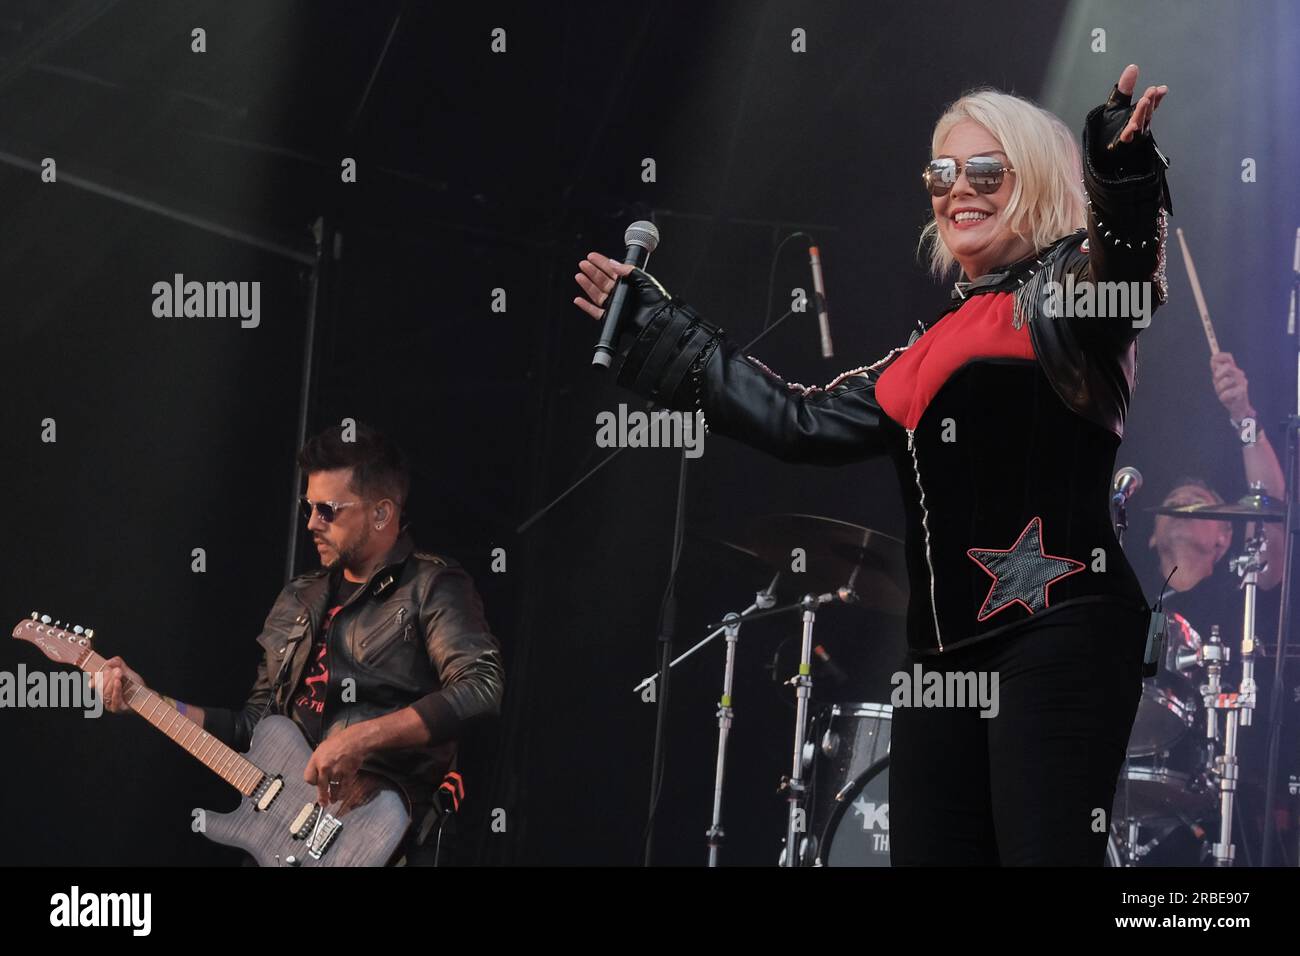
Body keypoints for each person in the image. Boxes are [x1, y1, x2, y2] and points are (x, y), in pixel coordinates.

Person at [574, 65, 1171, 865]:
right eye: (942, 173)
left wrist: (1124, 184)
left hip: (1059, 636)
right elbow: (798, 421)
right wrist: (661, 335)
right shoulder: (930, 347)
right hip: (940, 664)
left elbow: (1127, 283)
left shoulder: (1067, 295)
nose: (958, 189)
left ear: (1034, 182)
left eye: (987, 172)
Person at [95, 423, 505, 866]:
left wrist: (361, 739)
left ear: (382, 513)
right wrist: (147, 700)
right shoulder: (300, 596)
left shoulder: (432, 585)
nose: (312, 523)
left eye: (328, 510)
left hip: (382, 836)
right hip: (290, 837)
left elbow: (481, 686)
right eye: (308, 508)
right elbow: (252, 727)